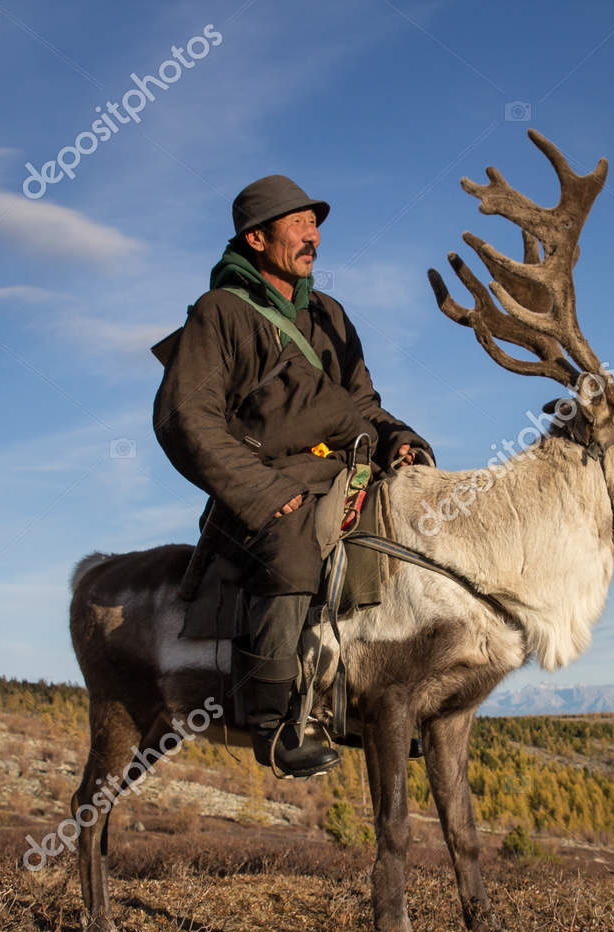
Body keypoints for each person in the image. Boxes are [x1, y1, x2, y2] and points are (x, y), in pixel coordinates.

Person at [155, 174, 434, 777]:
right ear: (256, 238)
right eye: (299, 223)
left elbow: (363, 404)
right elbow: (185, 418)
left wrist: (401, 441)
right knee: (294, 547)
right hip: (268, 481)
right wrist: (262, 492)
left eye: (315, 224)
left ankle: (369, 705)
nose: (313, 236)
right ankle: (273, 724)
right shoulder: (219, 313)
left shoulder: (330, 314)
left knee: (410, 536)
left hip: (344, 468)